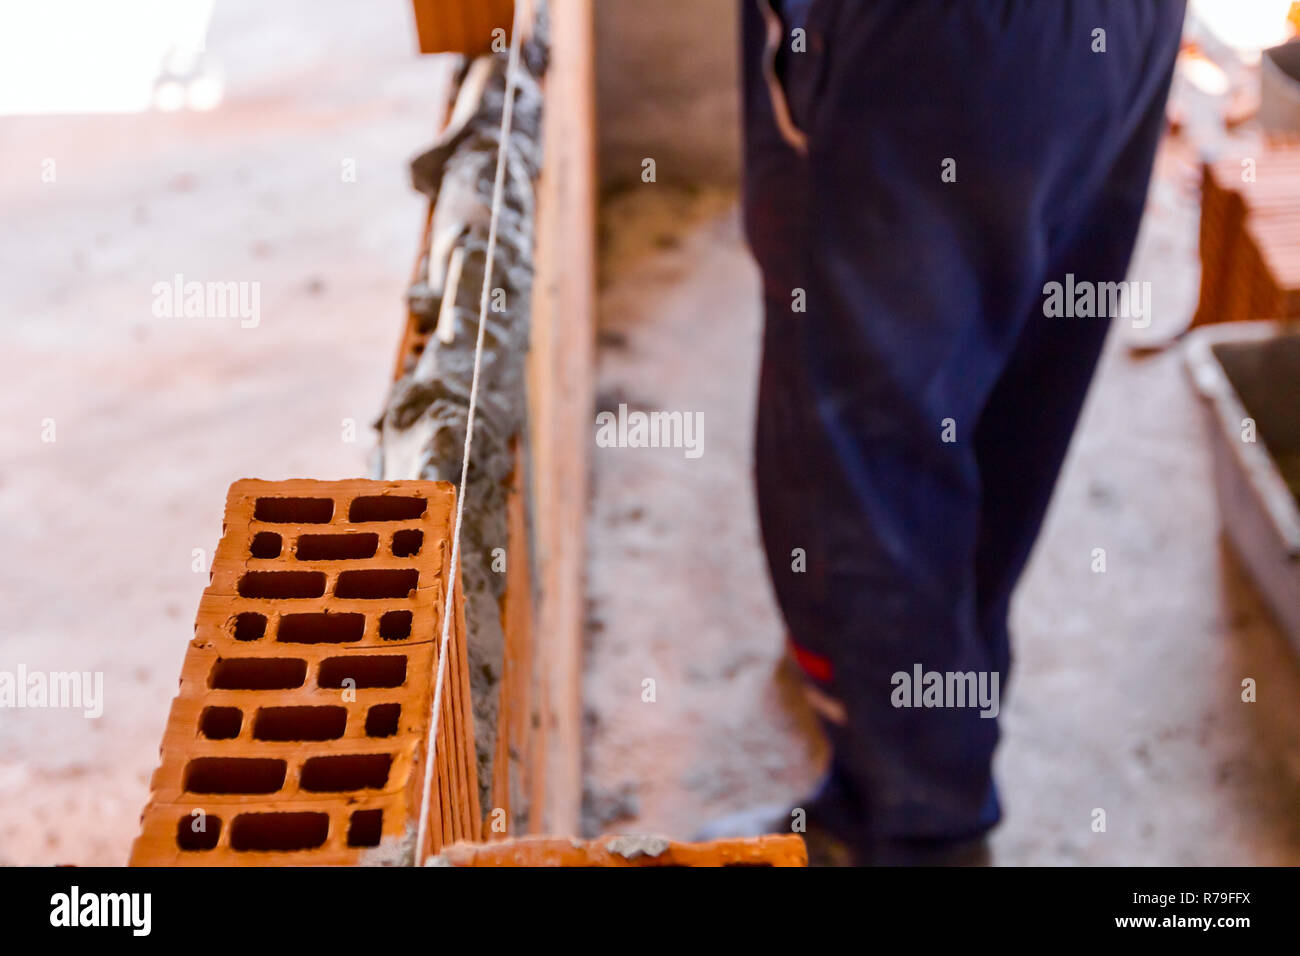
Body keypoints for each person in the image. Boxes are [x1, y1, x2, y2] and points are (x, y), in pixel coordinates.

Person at [700, 0, 1186, 864]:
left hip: (921, 42)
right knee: (1019, 358)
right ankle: (943, 688)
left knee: (866, 445)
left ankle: (911, 819)